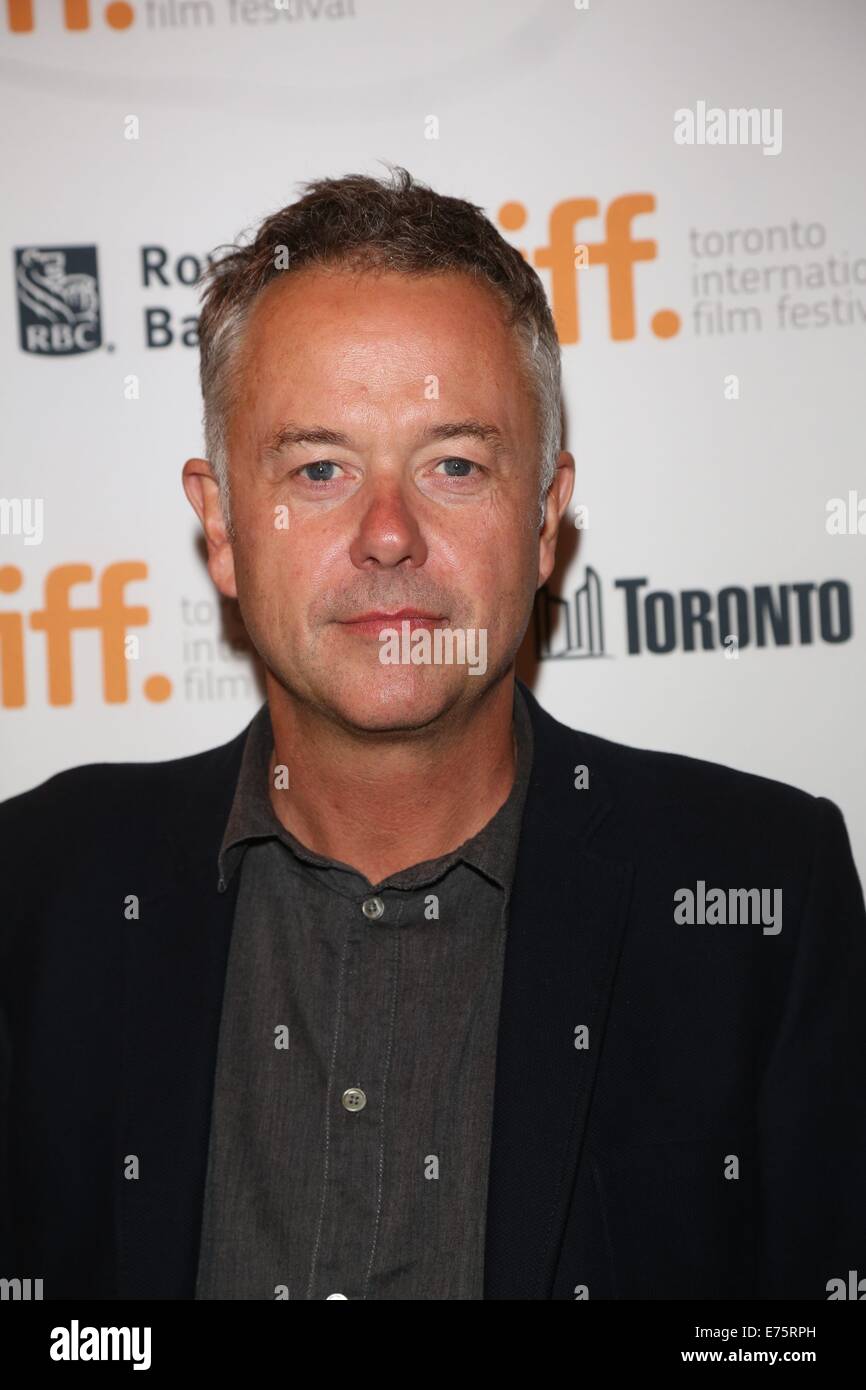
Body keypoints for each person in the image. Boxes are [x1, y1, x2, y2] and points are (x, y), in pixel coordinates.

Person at [1, 166, 864, 1301]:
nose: (388, 534)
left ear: (545, 518)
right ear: (219, 525)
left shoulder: (760, 892)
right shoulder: (36, 888)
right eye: (319, 468)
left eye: (453, 463)